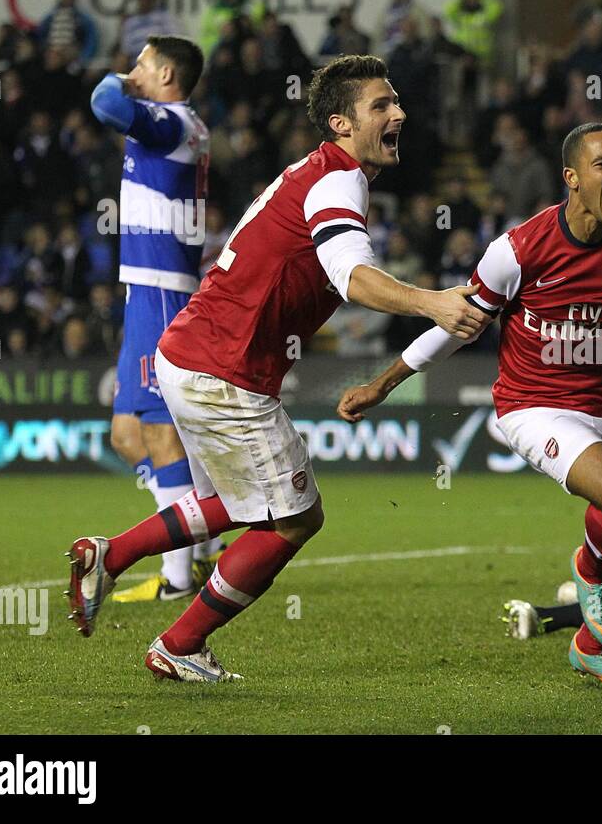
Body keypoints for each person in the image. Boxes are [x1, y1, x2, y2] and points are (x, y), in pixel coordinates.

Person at [67, 55, 490, 682]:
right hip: (222, 369)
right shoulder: (338, 181)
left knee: (237, 503)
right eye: (382, 105)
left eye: (397, 101)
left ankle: (110, 554)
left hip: (195, 355)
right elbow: (351, 275)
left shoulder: (317, 172)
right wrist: (431, 301)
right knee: (294, 518)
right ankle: (179, 645)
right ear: (342, 123)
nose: (399, 112)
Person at [336, 122, 602, 686]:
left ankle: (594, 649)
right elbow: (459, 325)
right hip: (534, 404)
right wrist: (385, 382)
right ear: (572, 178)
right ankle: (588, 570)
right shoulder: (518, 249)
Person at [89, 35, 221, 605]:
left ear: (165, 73)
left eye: (142, 64)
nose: (133, 72)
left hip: (163, 292)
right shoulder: (179, 123)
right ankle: (197, 525)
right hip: (145, 288)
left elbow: (104, 103)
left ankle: (176, 577)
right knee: (126, 436)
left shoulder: (169, 120)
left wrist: (119, 78)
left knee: (163, 434)